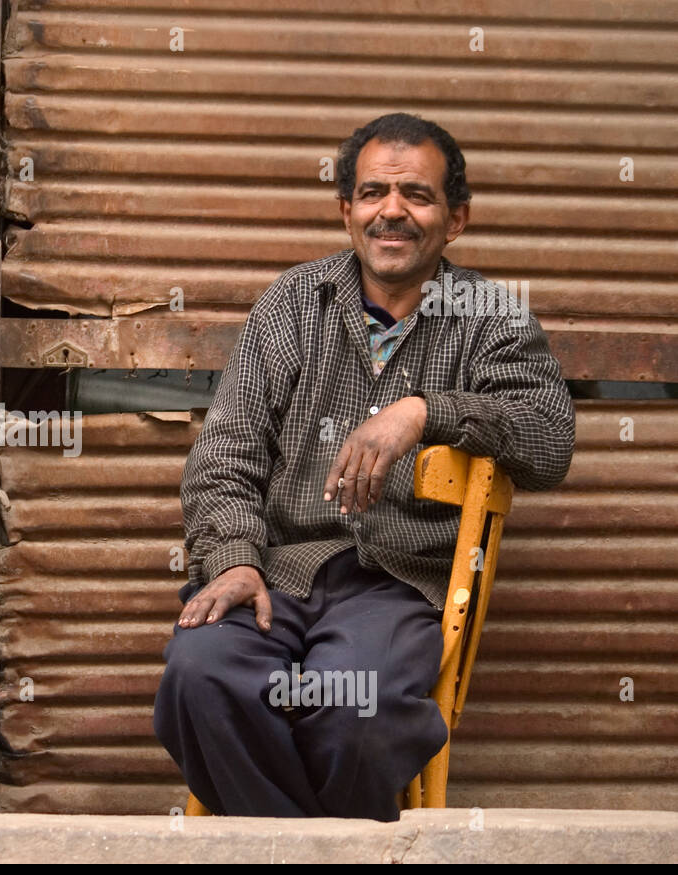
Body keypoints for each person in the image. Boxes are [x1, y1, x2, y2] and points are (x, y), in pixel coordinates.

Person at [153, 113, 574, 822]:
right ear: (346, 210)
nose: (392, 211)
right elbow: (226, 448)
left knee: (359, 710)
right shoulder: (295, 302)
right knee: (198, 678)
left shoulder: (492, 317)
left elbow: (549, 440)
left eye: (417, 194)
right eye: (374, 191)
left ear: (456, 218)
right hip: (277, 572)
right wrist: (232, 557)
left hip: (397, 586)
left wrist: (424, 411)